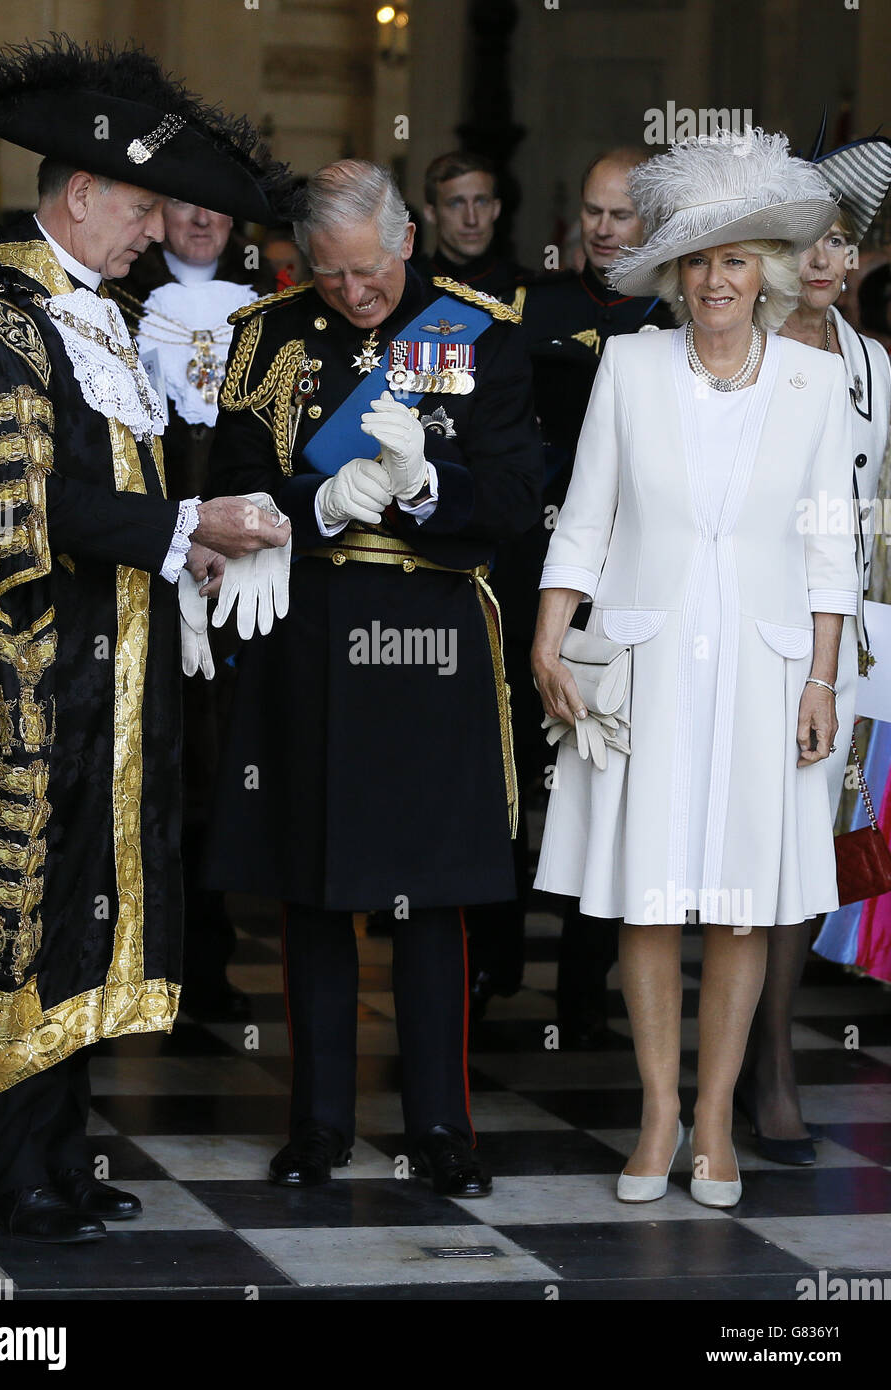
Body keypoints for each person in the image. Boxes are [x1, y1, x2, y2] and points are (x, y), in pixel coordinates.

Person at [0, 36, 293, 1244]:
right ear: (80, 196)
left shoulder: (96, 314)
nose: (151, 232)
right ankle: (7, 1175)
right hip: (25, 685)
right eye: (139, 210)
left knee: (91, 910)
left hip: (113, 676)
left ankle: (61, 1159)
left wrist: (212, 524)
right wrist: (184, 521)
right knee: (27, 913)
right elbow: (20, 508)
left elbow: (120, 482)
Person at [532, 127, 857, 1208]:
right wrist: (546, 634)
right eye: (697, 262)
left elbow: (828, 548)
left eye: (734, 261)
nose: (715, 281)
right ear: (673, 275)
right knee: (649, 901)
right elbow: (584, 517)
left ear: (762, 274)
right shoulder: (628, 364)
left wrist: (820, 679)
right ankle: (657, 1113)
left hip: (765, 676)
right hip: (649, 662)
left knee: (737, 904)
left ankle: (716, 1116)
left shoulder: (814, 384)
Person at [205, 159, 543, 1195]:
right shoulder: (266, 337)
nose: (353, 293)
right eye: (329, 274)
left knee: (427, 892)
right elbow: (223, 486)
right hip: (305, 623)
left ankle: (442, 1126)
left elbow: (520, 494)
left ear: (403, 238)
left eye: (367, 271)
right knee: (314, 886)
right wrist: (316, 501)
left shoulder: (473, 330)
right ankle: (317, 1125)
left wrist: (429, 484)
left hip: (429, 631)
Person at [469, 149, 673, 1036]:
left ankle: (587, 984)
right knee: (507, 766)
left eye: (621, 215)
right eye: (592, 211)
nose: (601, 228)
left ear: (654, 224)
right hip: (528, 567)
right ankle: (494, 960)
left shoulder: (677, 318)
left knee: (609, 771)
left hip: (629, 574)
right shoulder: (530, 305)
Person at [743, 135, 891, 1163]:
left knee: (812, 853)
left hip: (847, 643)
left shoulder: (874, 363)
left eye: (844, 242)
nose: (829, 260)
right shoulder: (739, 346)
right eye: (810, 242)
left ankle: (772, 1052)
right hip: (750, 621)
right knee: (739, 850)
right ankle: (724, 1055)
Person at [109, 202, 263, 1024]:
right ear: (156, 215)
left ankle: (205, 964)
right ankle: (135, 958)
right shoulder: (119, 303)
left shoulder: (267, 306)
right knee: (156, 754)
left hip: (242, 564)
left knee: (222, 758)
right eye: (180, 204)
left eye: (216, 207)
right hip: (147, 552)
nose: (201, 220)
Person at [415, 150, 532, 305]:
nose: (471, 219)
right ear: (431, 213)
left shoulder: (526, 288)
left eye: (481, 202)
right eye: (456, 203)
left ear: (496, 209)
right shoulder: (409, 289)